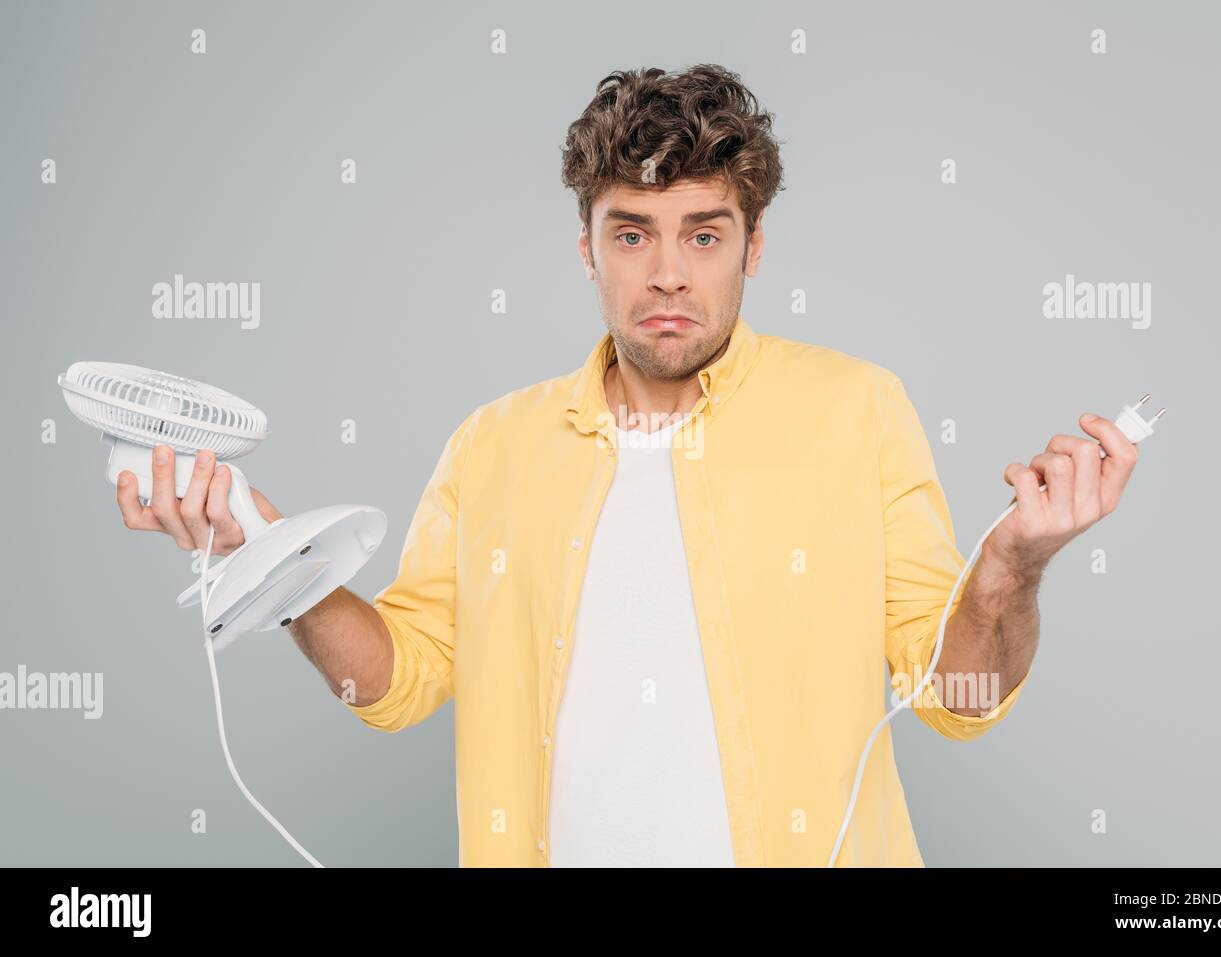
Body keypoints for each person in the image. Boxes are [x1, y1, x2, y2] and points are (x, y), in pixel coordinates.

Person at [116, 64, 1140, 867]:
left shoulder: (857, 408)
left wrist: (1011, 569)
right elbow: (394, 683)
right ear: (586, 250)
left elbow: (953, 696)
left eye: (703, 234)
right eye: (631, 234)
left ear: (752, 248)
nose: (666, 273)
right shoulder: (493, 444)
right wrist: (273, 556)